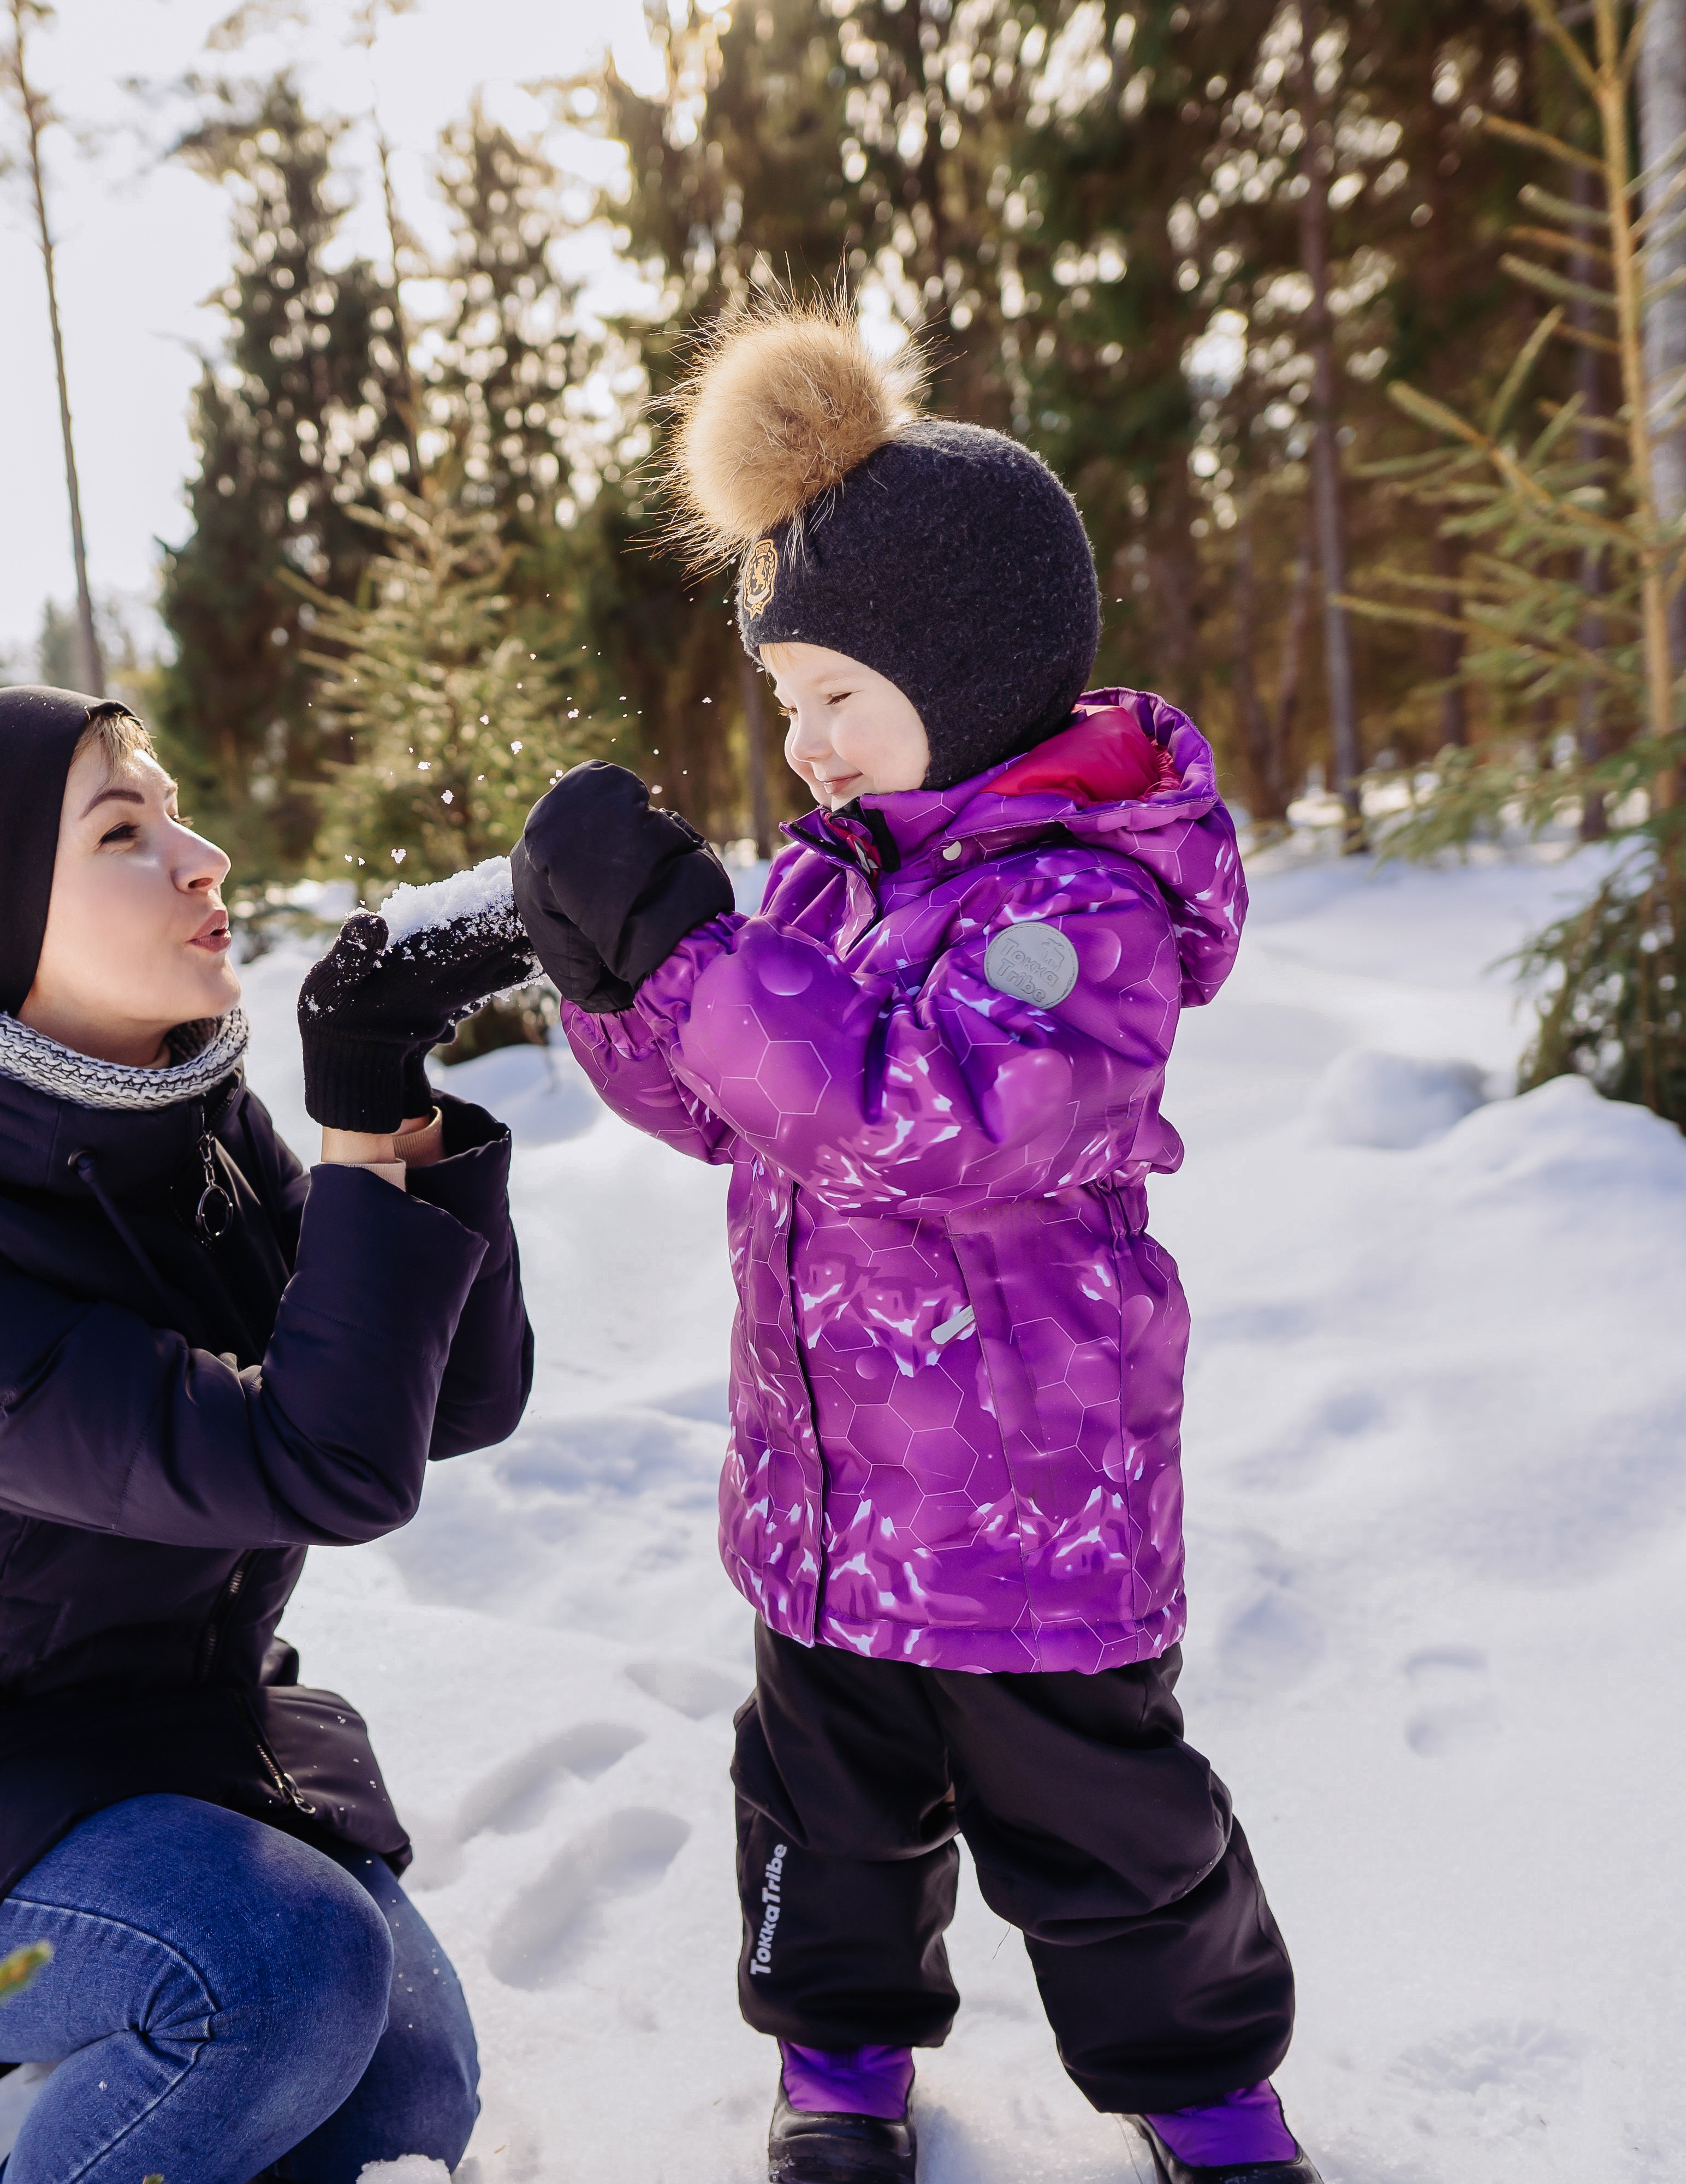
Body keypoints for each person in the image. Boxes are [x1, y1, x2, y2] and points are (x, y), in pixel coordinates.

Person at [511, 306, 1309, 2184]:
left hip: (1028, 1518)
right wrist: (616, 976)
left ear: (966, 670)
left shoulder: (1080, 907)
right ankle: (840, 2075)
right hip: (827, 1499)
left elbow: (931, 1119)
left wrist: (702, 962)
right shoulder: (831, 881)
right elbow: (730, 1107)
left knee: (1104, 1834)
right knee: (823, 1813)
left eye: (834, 697)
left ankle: (1212, 2102)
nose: (801, 744)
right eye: (783, 701)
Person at [0, 685, 539, 2184]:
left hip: (174, 1744)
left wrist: (398, 1106)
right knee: (274, 1977)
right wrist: (352, 1119)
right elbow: (318, 1464)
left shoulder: (188, 1134)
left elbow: (448, 1405)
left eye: (175, 811)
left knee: (404, 2105)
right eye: (122, 832)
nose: (201, 856)